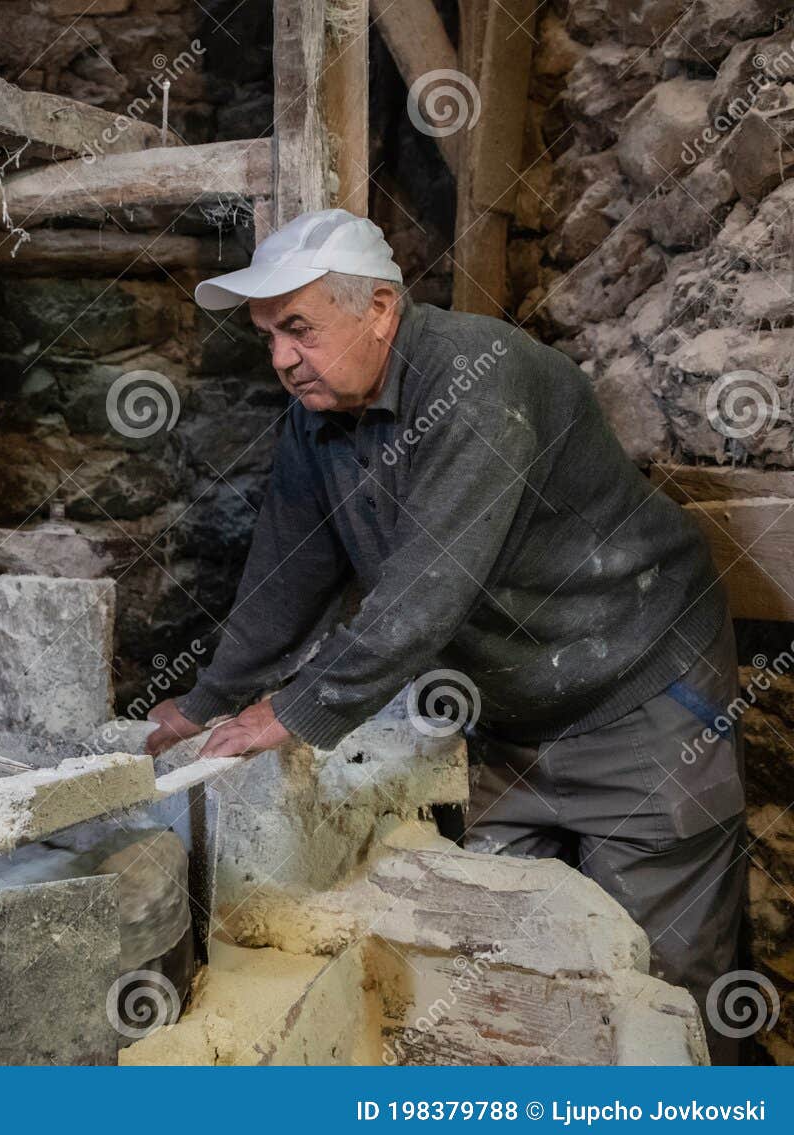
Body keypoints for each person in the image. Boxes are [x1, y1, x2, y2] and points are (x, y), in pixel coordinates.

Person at [144, 207, 748, 1064]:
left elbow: (429, 589)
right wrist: (206, 703)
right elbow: (286, 580)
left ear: (380, 308)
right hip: (510, 713)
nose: (280, 358)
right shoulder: (316, 422)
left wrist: (300, 710)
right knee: (502, 961)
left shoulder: (478, 377)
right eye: (268, 334)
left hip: (642, 687)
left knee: (665, 983)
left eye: (299, 329)